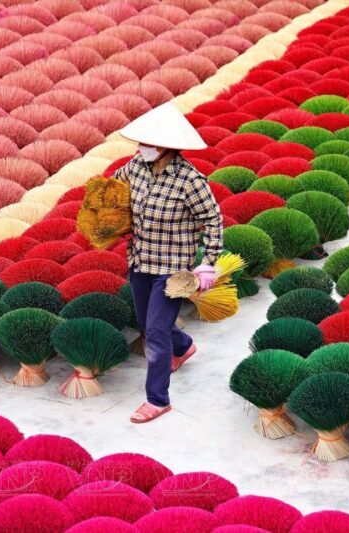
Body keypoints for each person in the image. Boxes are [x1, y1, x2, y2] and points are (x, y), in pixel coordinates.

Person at [114, 103, 224, 423]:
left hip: (173, 270)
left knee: (156, 332)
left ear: (163, 146)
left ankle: (157, 399)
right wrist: (103, 212)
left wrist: (208, 263)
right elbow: (115, 187)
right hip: (141, 259)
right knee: (146, 322)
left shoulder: (190, 180)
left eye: (146, 142)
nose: (140, 147)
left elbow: (213, 220)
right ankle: (185, 346)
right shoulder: (136, 166)